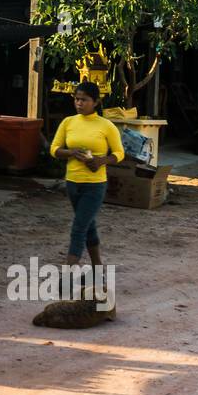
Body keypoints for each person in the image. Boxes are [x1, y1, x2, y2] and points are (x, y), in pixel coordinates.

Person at [49, 81, 125, 270]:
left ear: (96, 102)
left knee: (78, 228)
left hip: (95, 184)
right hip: (72, 183)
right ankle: (98, 268)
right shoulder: (68, 122)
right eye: (77, 99)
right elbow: (54, 149)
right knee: (88, 226)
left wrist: (101, 161)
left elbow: (119, 153)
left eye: (84, 100)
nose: (79, 103)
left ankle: (67, 275)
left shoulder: (106, 126)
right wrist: (71, 153)